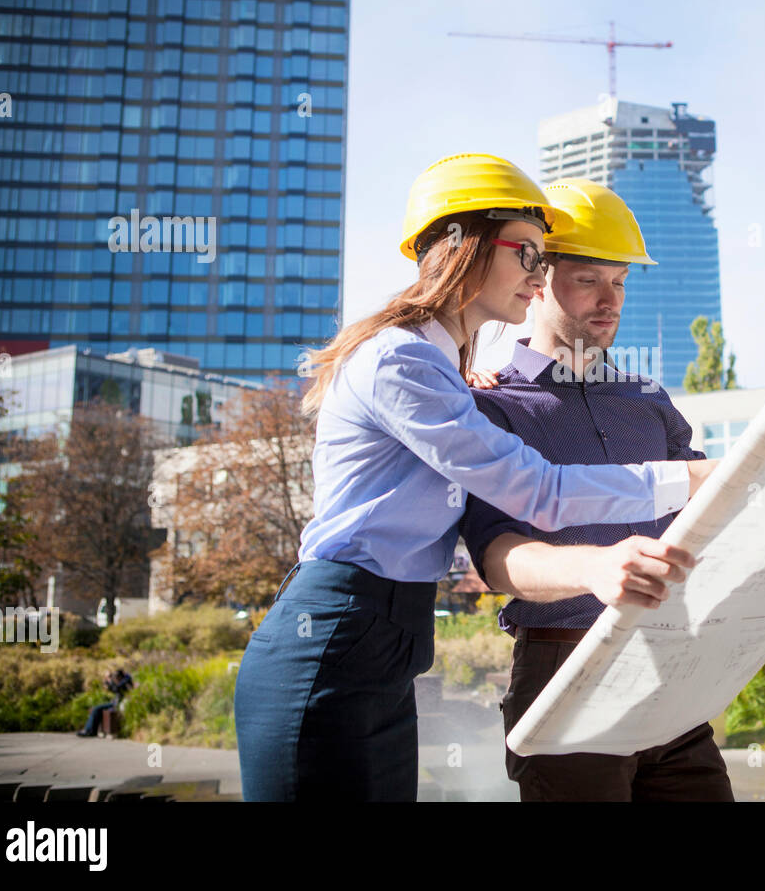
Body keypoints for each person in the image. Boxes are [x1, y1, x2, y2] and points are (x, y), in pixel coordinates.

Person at [232, 154, 718, 802]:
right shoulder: (403, 362)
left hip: (387, 640)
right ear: (465, 249)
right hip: (337, 627)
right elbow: (534, 491)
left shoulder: (445, 374)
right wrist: (686, 480)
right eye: (528, 256)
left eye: (618, 281)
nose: (534, 273)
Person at [461, 179, 765, 801]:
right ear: (538, 278)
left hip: (669, 669)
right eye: (588, 280)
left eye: (621, 282)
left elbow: (714, 517)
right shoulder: (495, 408)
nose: (610, 301)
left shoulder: (647, 402)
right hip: (563, 669)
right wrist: (597, 569)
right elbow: (497, 558)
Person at [77, 668, 134, 738]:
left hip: (118, 703)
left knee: (96, 709)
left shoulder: (126, 680)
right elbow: (114, 689)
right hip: (115, 702)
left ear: (120, 676)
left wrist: (109, 681)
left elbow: (116, 688)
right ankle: (90, 730)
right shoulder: (123, 680)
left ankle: (89, 731)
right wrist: (107, 682)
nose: (116, 680)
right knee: (96, 709)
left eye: (116, 678)